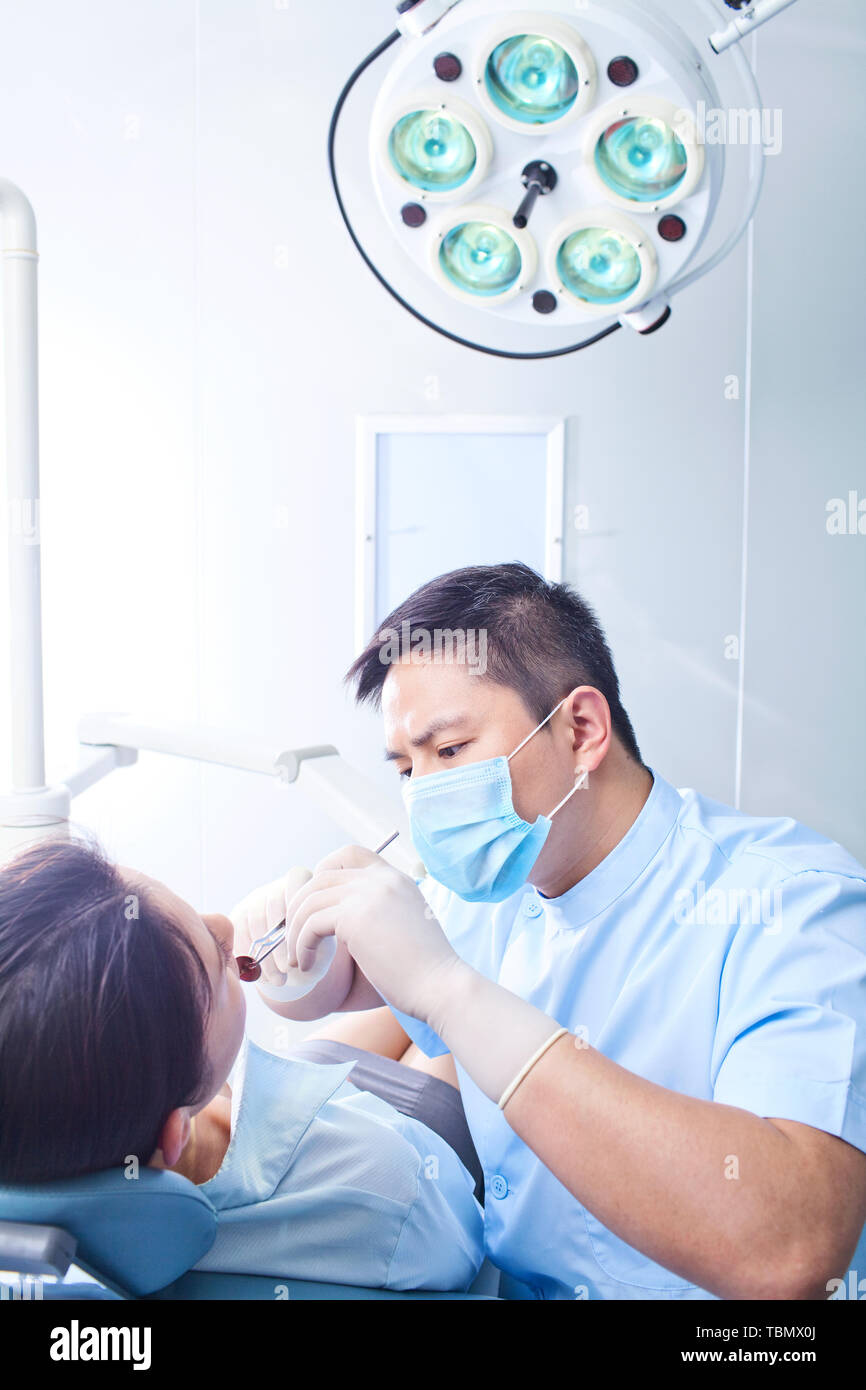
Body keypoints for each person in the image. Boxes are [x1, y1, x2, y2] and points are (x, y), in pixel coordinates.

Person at [242, 562, 866, 1300]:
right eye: (406, 767)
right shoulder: (492, 885)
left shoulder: (788, 903)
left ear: (581, 729)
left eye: (448, 752)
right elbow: (344, 978)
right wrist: (295, 963)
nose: (424, 794)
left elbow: (787, 1250)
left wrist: (451, 992)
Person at [0, 836, 484, 1293]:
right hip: (419, 1140)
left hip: (314, 1088)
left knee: (439, 956)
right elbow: (466, 1243)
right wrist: (447, 979)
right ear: (175, 1134)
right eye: (215, 957)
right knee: (477, 978)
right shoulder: (395, 1192)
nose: (224, 924)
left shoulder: (83, 1130)